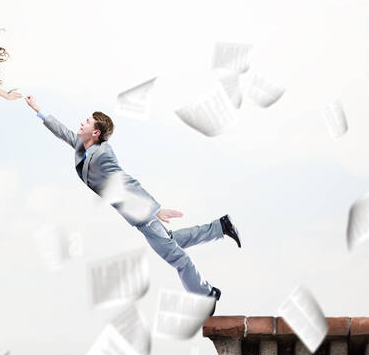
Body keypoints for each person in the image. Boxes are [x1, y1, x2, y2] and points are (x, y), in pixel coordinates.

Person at [25, 95, 241, 301]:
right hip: (137, 215)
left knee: (176, 257)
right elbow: (63, 132)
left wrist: (155, 209)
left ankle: (206, 293)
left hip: (142, 213)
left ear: (96, 133)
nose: (82, 123)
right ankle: (220, 227)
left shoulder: (103, 154)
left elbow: (127, 182)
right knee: (172, 240)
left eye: (87, 122)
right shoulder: (84, 147)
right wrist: (38, 110)